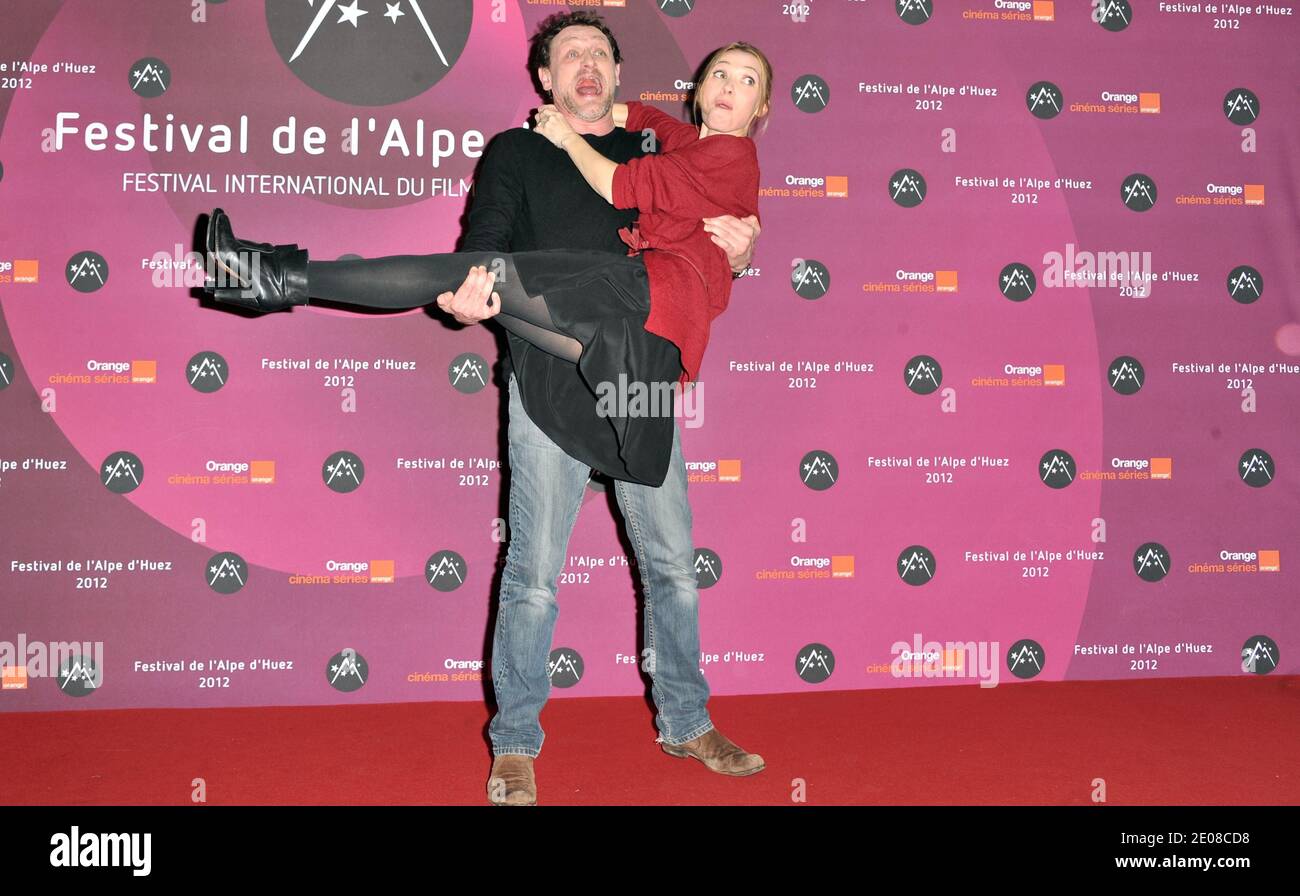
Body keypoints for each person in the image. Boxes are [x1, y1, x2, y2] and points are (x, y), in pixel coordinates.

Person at [205, 11, 765, 805]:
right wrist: (470, 300)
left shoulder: (654, 146)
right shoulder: (518, 150)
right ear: (543, 78)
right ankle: (515, 743)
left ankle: (687, 719)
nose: (585, 65)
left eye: (599, 54)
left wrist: (747, 241)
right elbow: (483, 245)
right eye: (568, 54)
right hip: (549, 373)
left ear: (617, 73)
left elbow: (723, 204)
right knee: (533, 577)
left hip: (639, 367)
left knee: (673, 566)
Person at [203, 42, 768, 490]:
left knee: (668, 568)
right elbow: (643, 114)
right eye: (720, 73)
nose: (729, 86)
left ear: (760, 109)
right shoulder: (676, 141)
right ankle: (267, 277)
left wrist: (567, 134)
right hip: (619, 332)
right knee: (534, 575)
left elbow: (621, 185)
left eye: (747, 82)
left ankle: (271, 276)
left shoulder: (723, 155)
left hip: (647, 300)